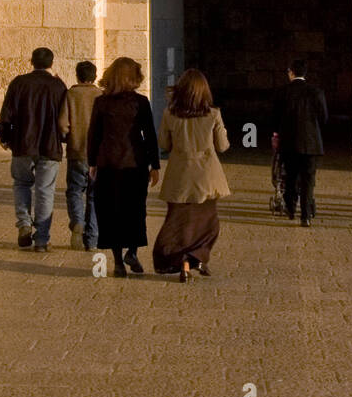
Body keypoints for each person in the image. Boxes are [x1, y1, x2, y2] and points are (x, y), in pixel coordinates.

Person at [152, 68, 230, 282]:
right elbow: (222, 146)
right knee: (207, 224)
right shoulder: (213, 114)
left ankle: (185, 264)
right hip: (206, 178)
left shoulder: (170, 114)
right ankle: (198, 258)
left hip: (180, 176)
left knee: (179, 224)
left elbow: (163, 144)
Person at [86, 57, 159, 276]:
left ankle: (118, 261)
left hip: (108, 163)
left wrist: (92, 162)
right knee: (135, 210)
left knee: (111, 212)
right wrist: (154, 164)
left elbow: (94, 135)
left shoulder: (101, 102)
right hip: (134, 163)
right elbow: (150, 136)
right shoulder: (140, 102)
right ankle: (132, 251)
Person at [0, 47, 67, 252]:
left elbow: (6, 113)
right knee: (45, 191)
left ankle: (24, 224)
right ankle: (42, 239)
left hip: (22, 144)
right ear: (51, 63)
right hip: (49, 145)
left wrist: (5, 138)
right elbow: (64, 119)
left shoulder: (19, 83)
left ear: (31, 61)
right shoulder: (58, 86)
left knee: (21, 183)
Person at [272, 59, 327, 227]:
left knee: (290, 177)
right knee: (308, 180)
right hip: (311, 143)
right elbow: (324, 117)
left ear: (291, 72)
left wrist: (277, 134)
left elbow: (275, 117)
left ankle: (290, 207)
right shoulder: (316, 92)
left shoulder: (282, 92)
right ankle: (306, 216)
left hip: (289, 143)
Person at [59, 60, 101, 250]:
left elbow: (62, 124)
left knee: (75, 191)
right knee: (94, 196)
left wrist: (67, 137)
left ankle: (77, 222)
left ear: (77, 75)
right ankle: (92, 239)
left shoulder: (71, 94)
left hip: (76, 151)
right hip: (98, 155)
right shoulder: (101, 96)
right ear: (95, 76)